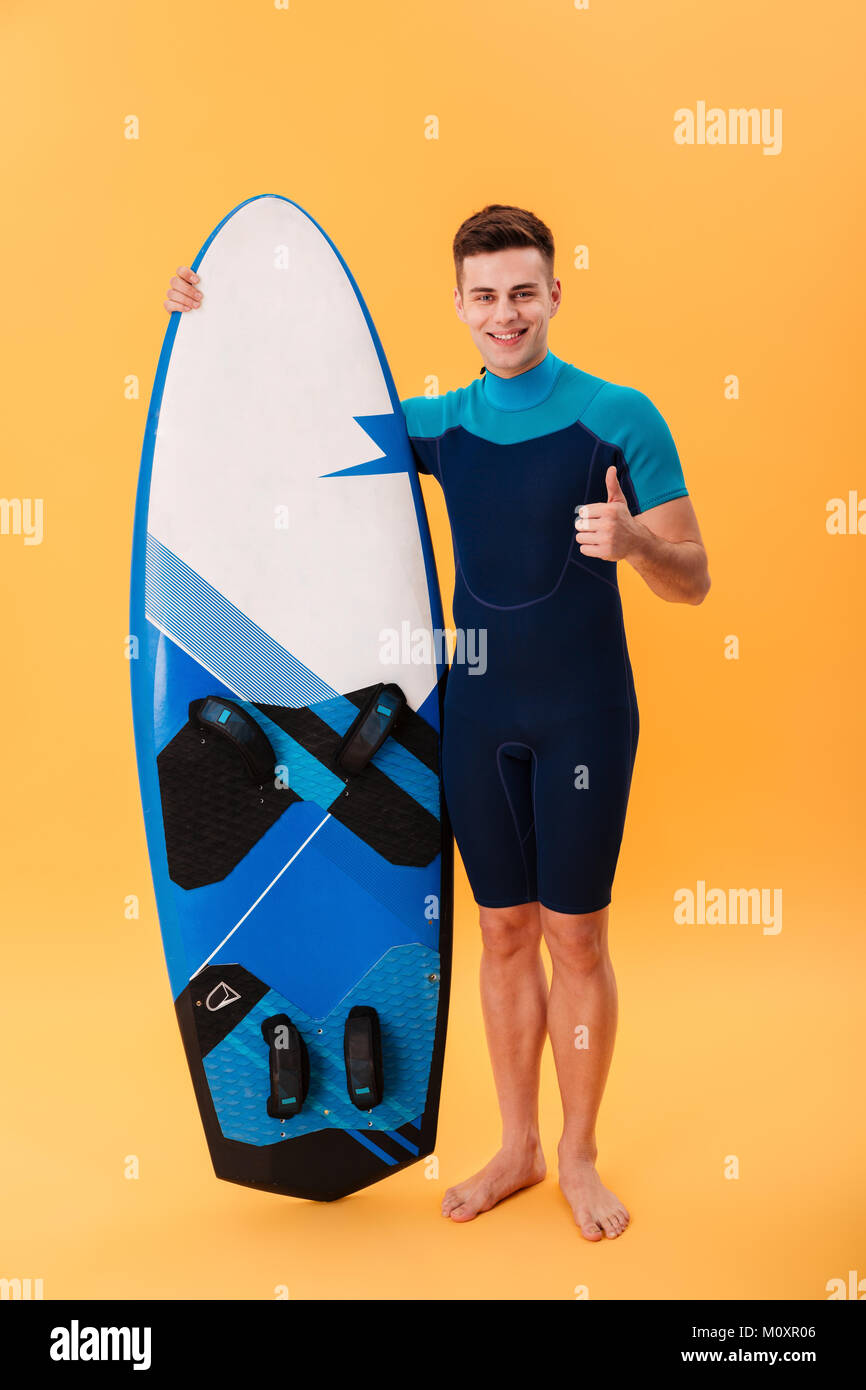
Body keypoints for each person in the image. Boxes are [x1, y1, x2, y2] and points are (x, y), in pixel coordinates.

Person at [163, 203, 710, 1240]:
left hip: (585, 717)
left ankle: (580, 1154)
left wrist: (636, 542)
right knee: (502, 932)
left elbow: (695, 581)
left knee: (574, 937)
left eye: (522, 292)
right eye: (484, 296)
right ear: (457, 305)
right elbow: (286, 428)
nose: (504, 314)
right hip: (478, 712)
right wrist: (206, 324)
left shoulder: (620, 416)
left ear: (554, 293)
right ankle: (517, 1145)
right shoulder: (441, 423)